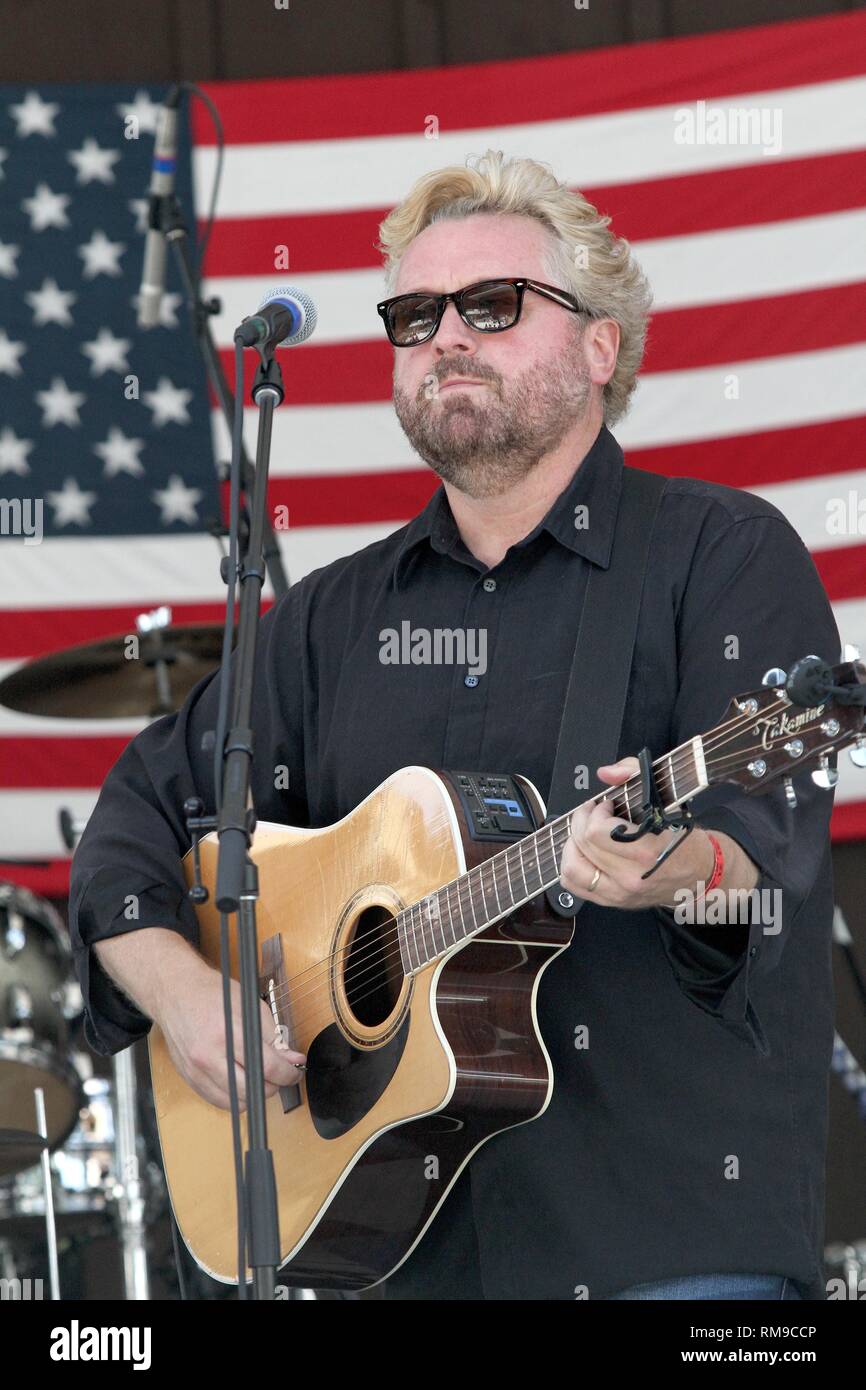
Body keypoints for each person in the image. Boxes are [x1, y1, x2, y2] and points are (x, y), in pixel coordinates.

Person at [69, 150, 840, 1301]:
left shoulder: (718, 554)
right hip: (389, 1258)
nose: (445, 336)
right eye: (413, 314)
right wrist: (187, 995)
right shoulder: (331, 618)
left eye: (490, 305)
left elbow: (756, 857)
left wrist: (673, 866)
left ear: (598, 346)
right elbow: (132, 819)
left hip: (656, 1240)